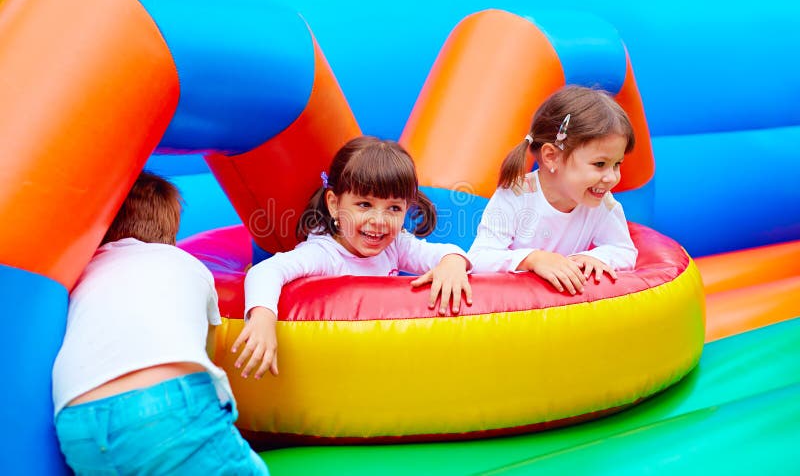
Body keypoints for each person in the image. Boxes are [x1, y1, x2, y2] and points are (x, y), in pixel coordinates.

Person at [51, 171, 268, 475]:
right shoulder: (187, 264)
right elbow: (209, 349)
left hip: (77, 425)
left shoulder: (80, 273)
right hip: (165, 409)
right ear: (171, 233)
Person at [233, 136, 472, 380]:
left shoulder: (396, 244)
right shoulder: (325, 253)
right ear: (334, 205)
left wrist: (452, 262)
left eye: (394, 208)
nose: (379, 220)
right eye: (364, 204)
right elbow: (266, 271)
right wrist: (262, 318)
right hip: (335, 365)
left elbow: (441, 252)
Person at [468, 85, 638, 295]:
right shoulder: (516, 194)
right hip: (515, 306)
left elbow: (624, 250)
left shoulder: (602, 203)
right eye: (600, 164)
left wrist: (596, 257)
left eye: (617, 164)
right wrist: (534, 259)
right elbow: (479, 258)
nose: (612, 177)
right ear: (551, 157)